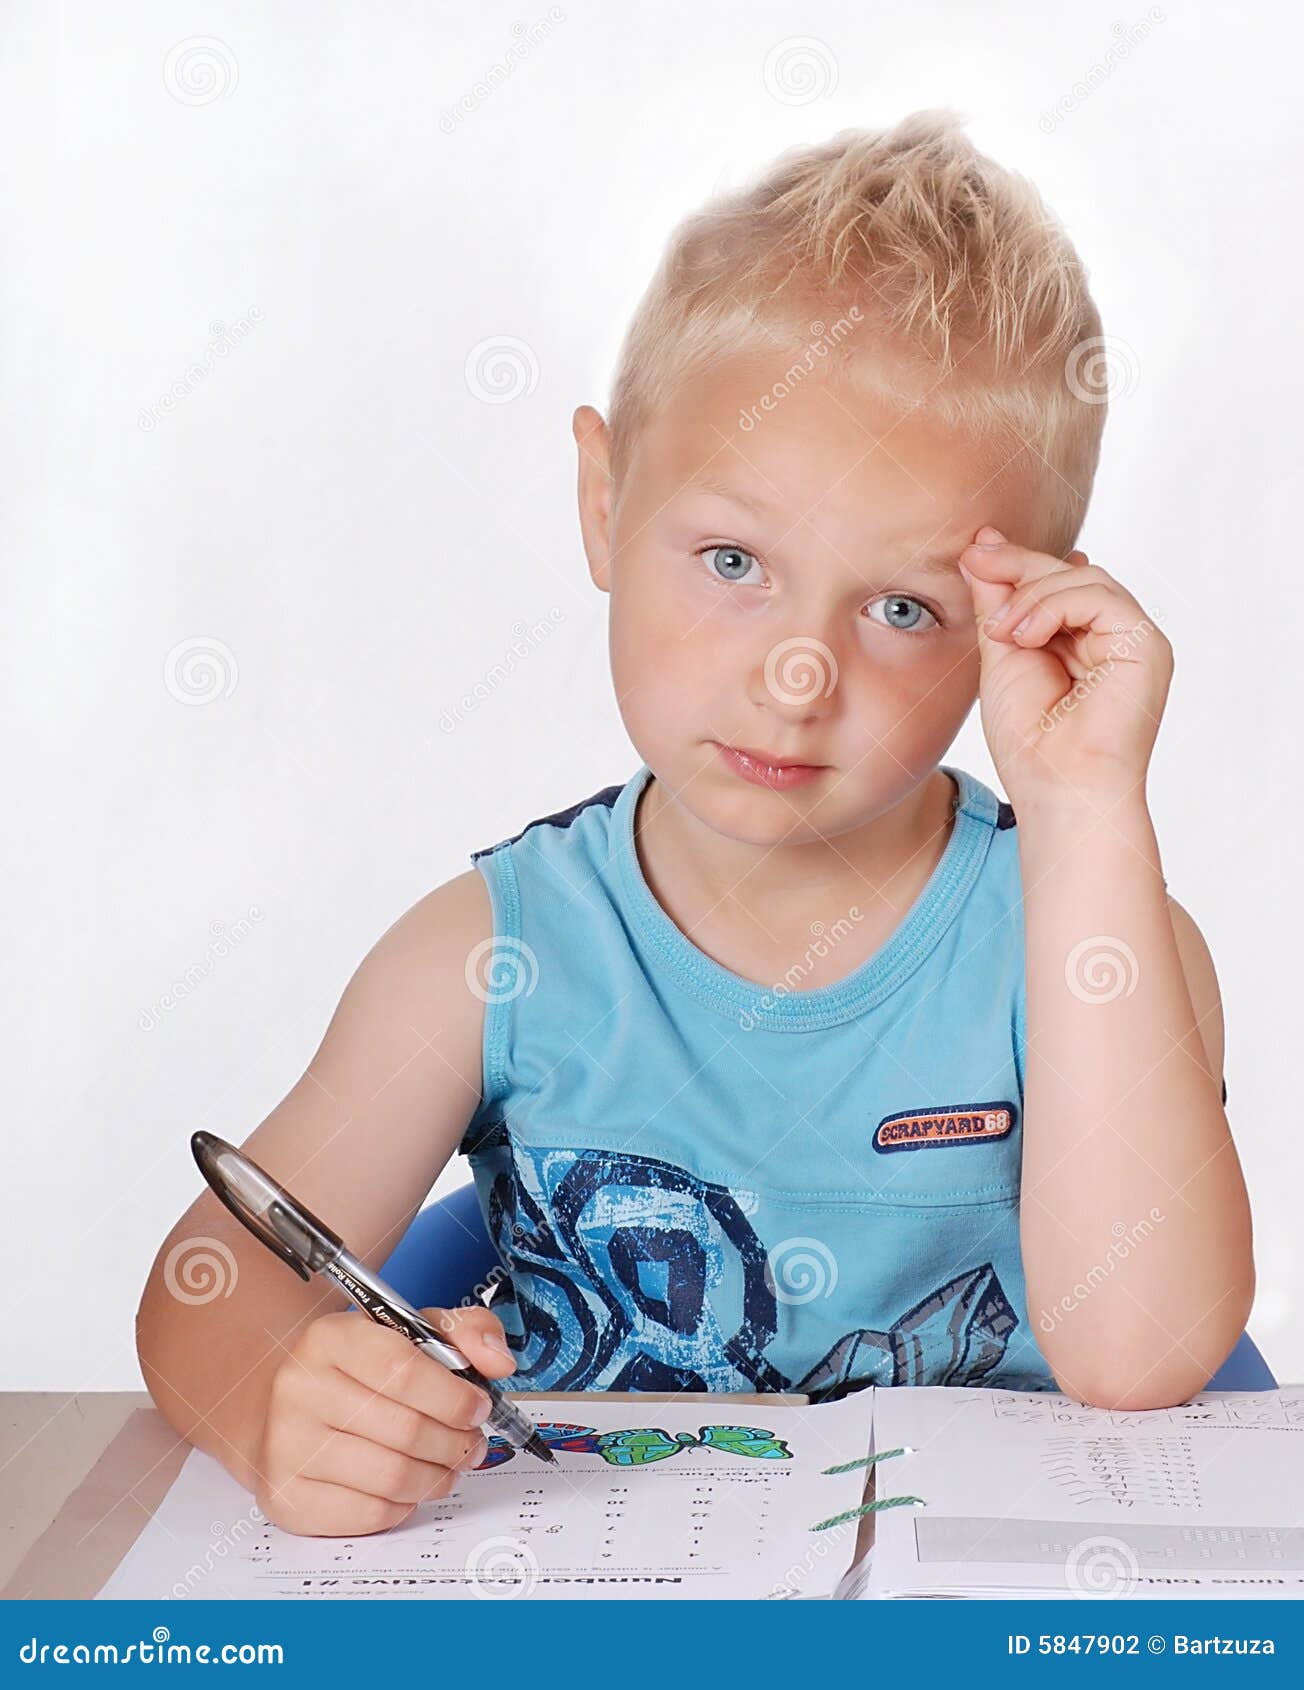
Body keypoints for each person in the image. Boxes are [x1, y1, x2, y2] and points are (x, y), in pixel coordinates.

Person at [137, 109, 1254, 1536]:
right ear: (604, 503)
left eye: (904, 606)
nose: (799, 680)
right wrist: (283, 1400)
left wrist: (1089, 803)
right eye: (734, 559)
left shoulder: (1097, 940)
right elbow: (207, 1284)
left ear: (1022, 625)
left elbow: (1146, 1353)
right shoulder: (488, 957)